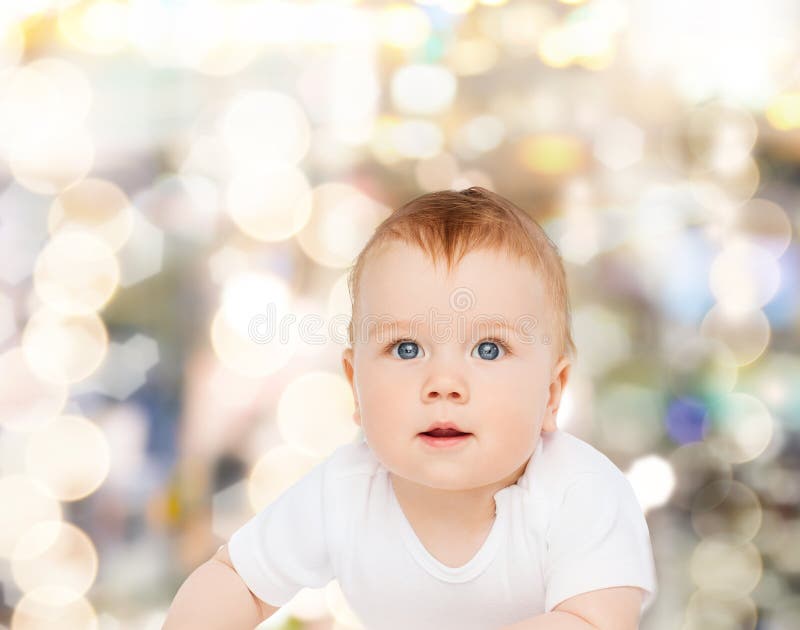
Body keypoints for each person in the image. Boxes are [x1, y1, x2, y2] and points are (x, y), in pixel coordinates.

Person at [163, 187, 657, 629]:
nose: (443, 385)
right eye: (406, 349)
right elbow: (238, 582)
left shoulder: (582, 492)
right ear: (356, 387)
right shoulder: (346, 491)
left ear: (552, 394)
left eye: (488, 349)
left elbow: (595, 622)